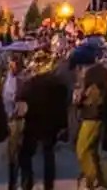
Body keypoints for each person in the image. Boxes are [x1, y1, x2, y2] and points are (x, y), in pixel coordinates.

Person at [17, 52, 69, 190]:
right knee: (48, 153)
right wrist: (63, 124)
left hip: (33, 123)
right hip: (51, 124)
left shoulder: (30, 85)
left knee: (26, 154)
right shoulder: (58, 83)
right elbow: (63, 104)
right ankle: (48, 185)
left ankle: (27, 182)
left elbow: (22, 107)